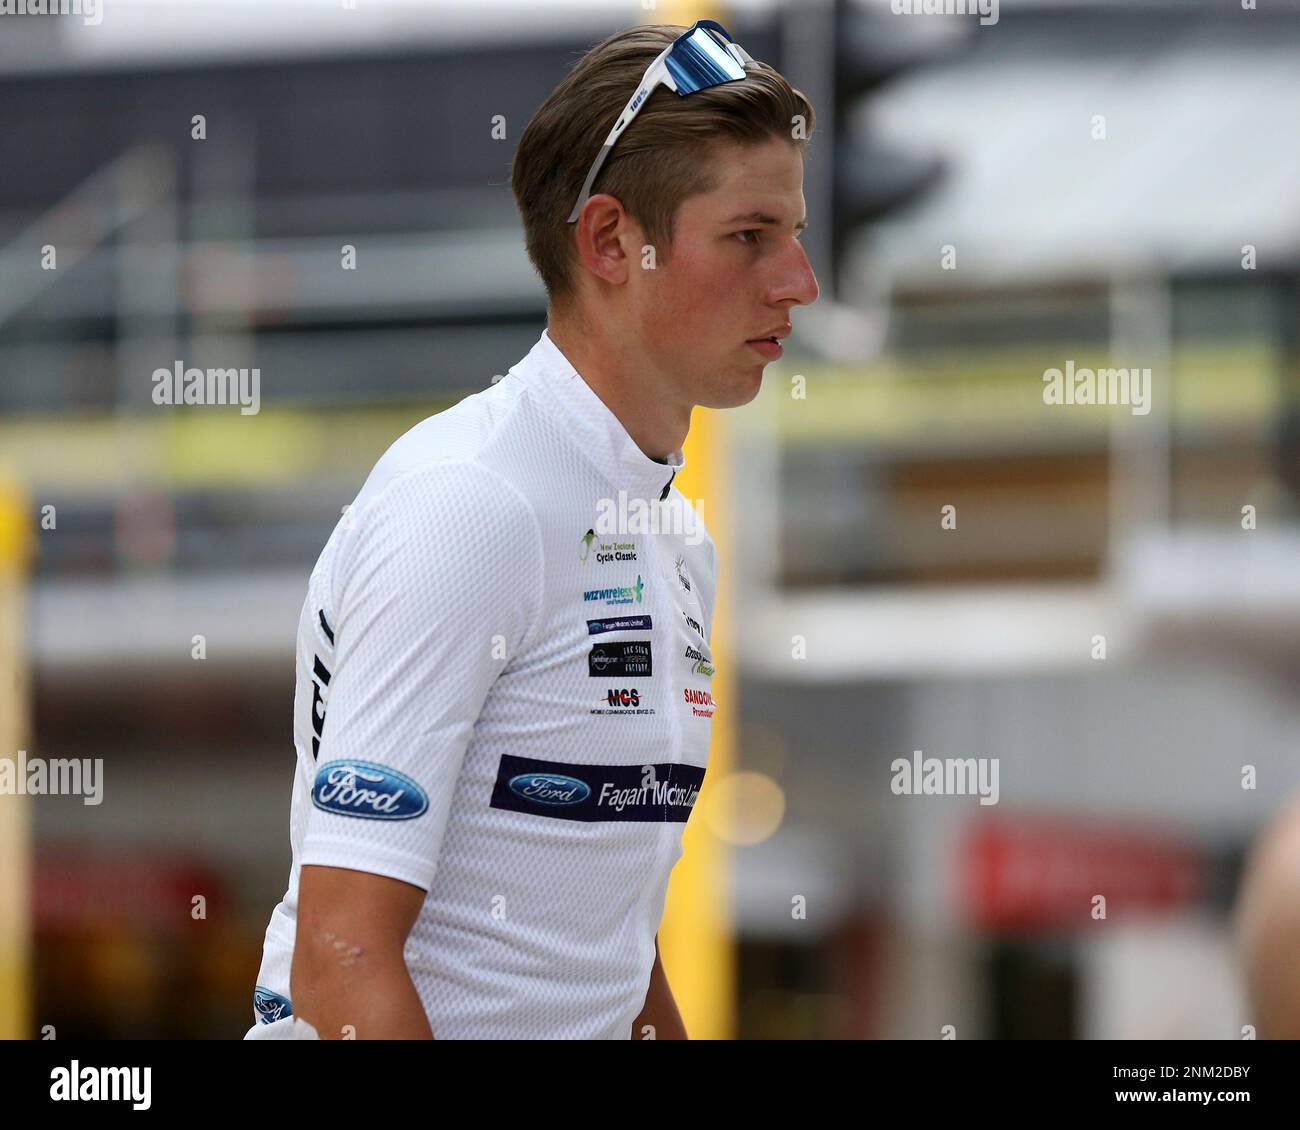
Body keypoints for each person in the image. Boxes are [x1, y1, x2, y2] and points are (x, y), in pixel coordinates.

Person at [244, 19, 819, 1040]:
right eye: (748, 236)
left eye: (796, 235)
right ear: (607, 242)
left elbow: (603, 948)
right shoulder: (469, 504)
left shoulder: (677, 538)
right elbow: (339, 961)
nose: (797, 283)